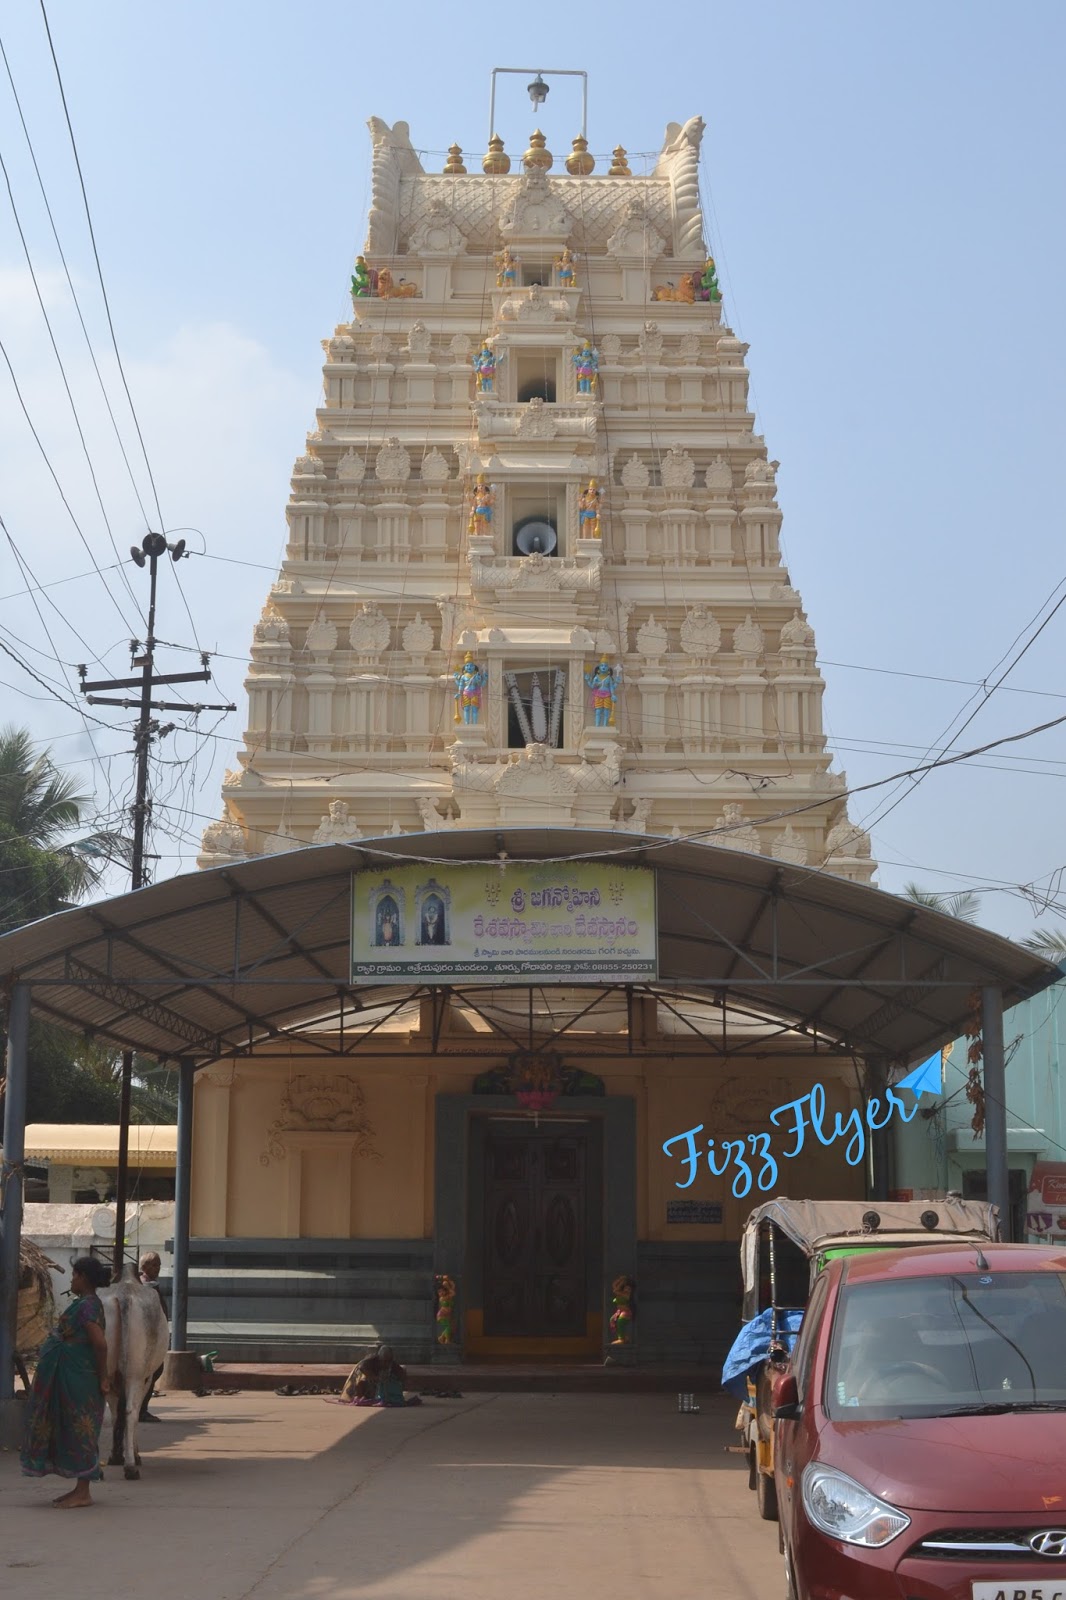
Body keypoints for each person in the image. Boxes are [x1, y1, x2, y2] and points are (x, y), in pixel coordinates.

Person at [21, 1255, 111, 1507]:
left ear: (83, 1277)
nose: (71, 1279)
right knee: (68, 1427)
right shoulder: (85, 1302)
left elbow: (100, 1344)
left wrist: (103, 1378)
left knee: (80, 1430)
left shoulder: (88, 1306)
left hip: (79, 1378)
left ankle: (83, 1492)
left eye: (74, 1275)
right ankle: (78, 1489)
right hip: (69, 1375)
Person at [139, 1251, 168, 1422]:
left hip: (152, 1338)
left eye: (158, 1265)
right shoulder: (145, 1287)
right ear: (144, 1267)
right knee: (153, 1370)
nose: (157, 1268)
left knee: (155, 1370)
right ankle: (140, 1409)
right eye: (154, 1265)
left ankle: (141, 1407)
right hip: (146, 1339)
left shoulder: (151, 1285)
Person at [340, 1343, 417, 1406]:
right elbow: (361, 1367)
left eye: (388, 1361)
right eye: (384, 1361)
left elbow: (402, 1375)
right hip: (369, 1385)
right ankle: (361, 1398)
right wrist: (373, 1377)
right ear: (379, 1358)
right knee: (361, 1383)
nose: (386, 1364)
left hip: (382, 1390)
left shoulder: (392, 1365)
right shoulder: (371, 1360)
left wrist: (400, 1381)